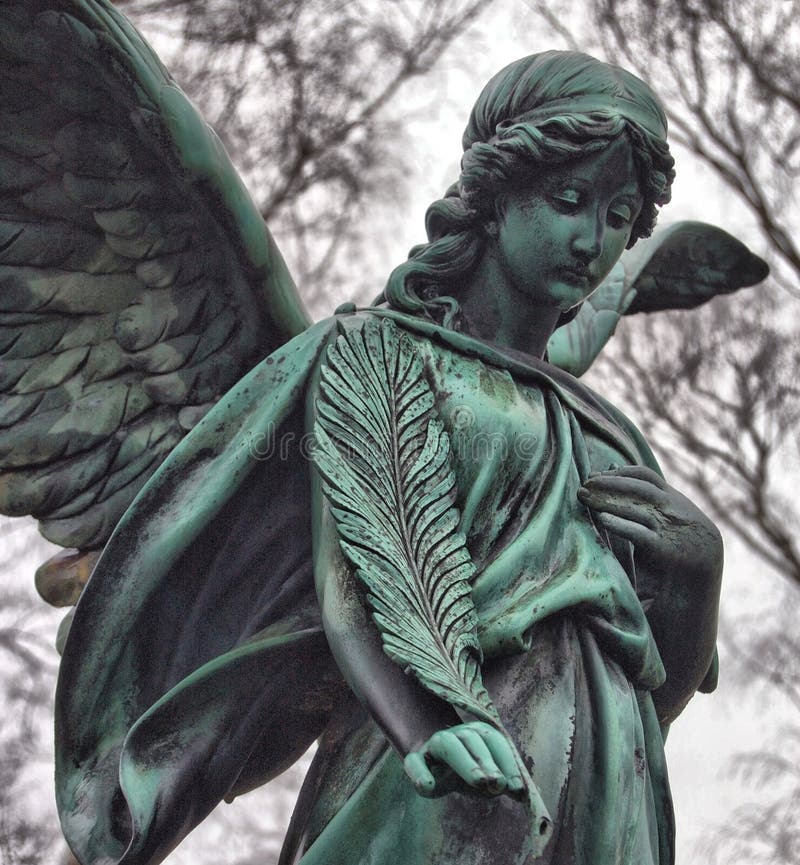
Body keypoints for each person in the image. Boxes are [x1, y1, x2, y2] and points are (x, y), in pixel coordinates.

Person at [55, 51, 722, 865]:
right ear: (496, 196)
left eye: (620, 216)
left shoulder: (599, 430)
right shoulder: (379, 355)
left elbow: (655, 695)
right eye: (569, 200)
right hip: (447, 777)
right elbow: (365, 579)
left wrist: (701, 576)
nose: (592, 240)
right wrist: (429, 723)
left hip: (612, 796)